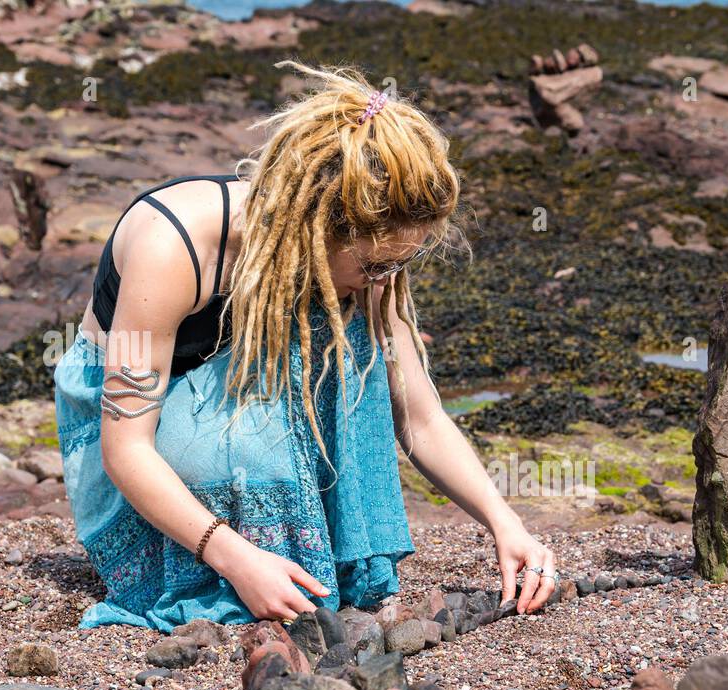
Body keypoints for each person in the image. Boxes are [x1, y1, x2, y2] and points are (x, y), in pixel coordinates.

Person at [53, 62, 559, 631]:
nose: (385, 278)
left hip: (224, 411)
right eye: (375, 264)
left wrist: (504, 521)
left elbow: (415, 411)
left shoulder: (365, 269)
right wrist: (236, 558)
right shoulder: (175, 245)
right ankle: (256, 554)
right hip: (122, 445)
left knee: (357, 335)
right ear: (316, 226)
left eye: (401, 262)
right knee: (328, 334)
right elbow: (126, 450)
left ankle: (304, 553)